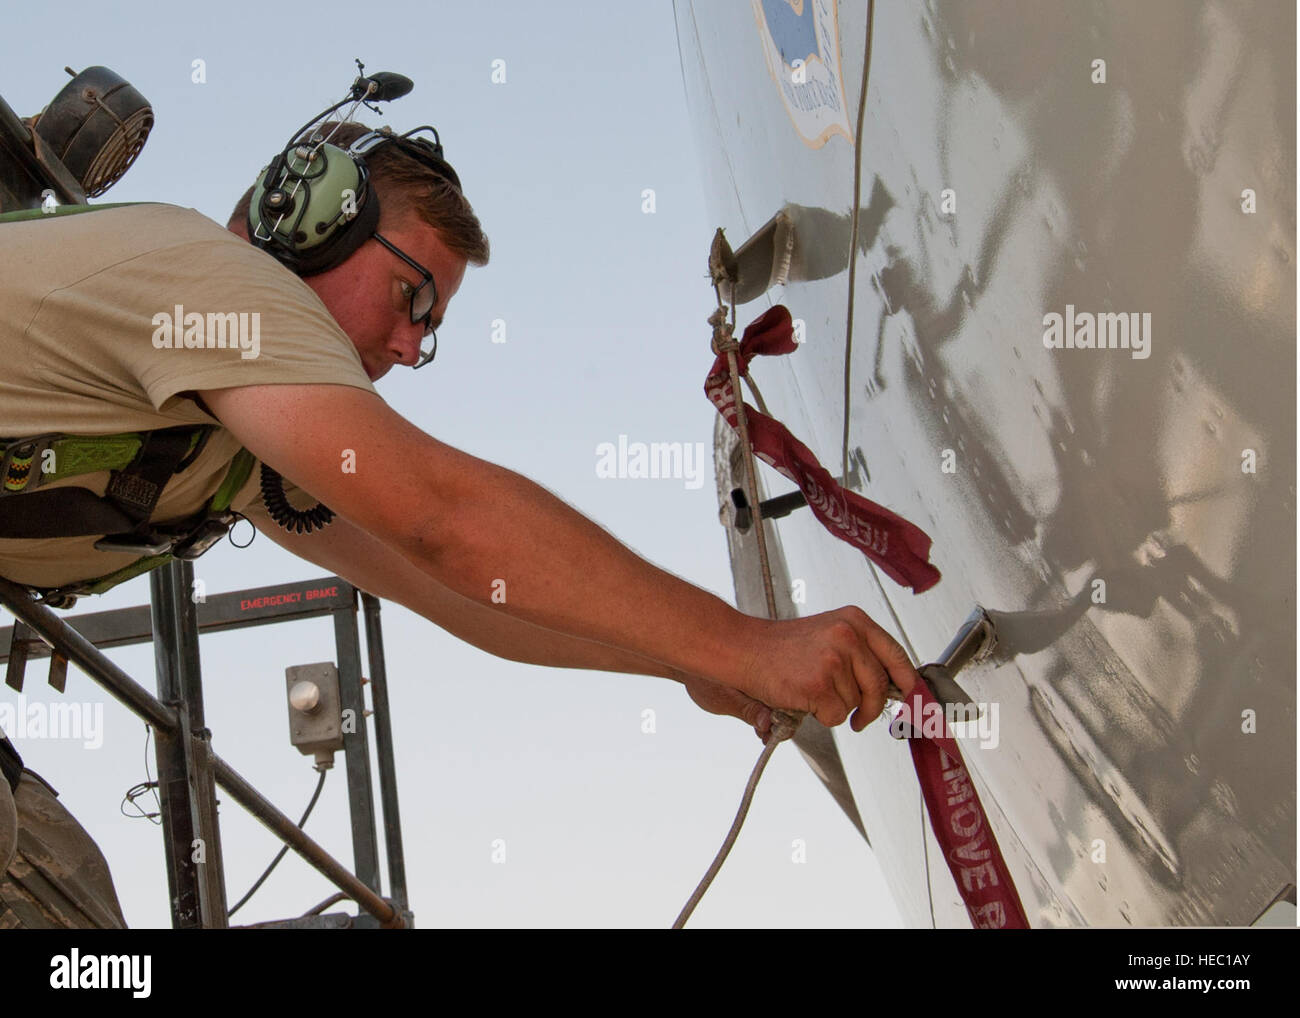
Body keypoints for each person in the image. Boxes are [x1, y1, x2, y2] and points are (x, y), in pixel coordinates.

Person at [0, 119, 918, 922]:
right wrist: (745, 647)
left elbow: (464, 593)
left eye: (429, 328)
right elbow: (447, 520)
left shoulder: (240, 453)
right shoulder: (208, 282)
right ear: (312, 222)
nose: (409, 345)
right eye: (411, 297)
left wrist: (687, 660)